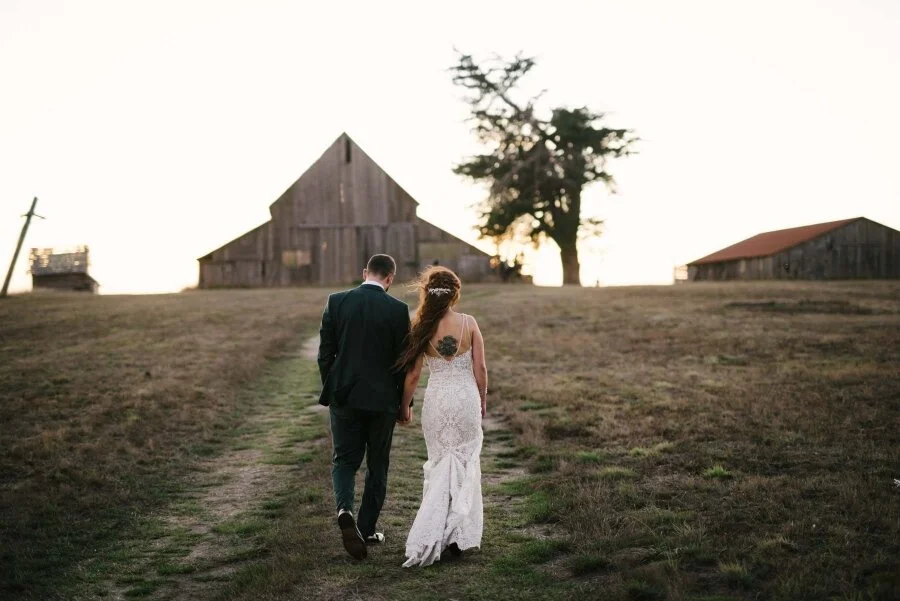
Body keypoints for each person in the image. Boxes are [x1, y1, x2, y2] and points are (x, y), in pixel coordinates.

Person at [317, 254, 411, 560]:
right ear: (390, 278)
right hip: (383, 401)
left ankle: (344, 510)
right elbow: (403, 363)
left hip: (344, 396)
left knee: (344, 460)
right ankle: (366, 528)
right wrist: (404, 403)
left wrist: (333, 389)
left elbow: (325, 354)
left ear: (364, 273)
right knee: (378, 464)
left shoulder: (336, 302)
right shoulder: (398, 310)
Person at [396, 266, 488, 567]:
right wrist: (482, 399)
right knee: (464, 462)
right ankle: (456, 533)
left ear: (429, 293)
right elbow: (480, 369)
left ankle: (441, 530)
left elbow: (413, 376)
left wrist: (404, 406)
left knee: (440, 463)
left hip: (437, 402)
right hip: (465, 400)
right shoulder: (469, 323)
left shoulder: (421, 326)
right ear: (454, 293)